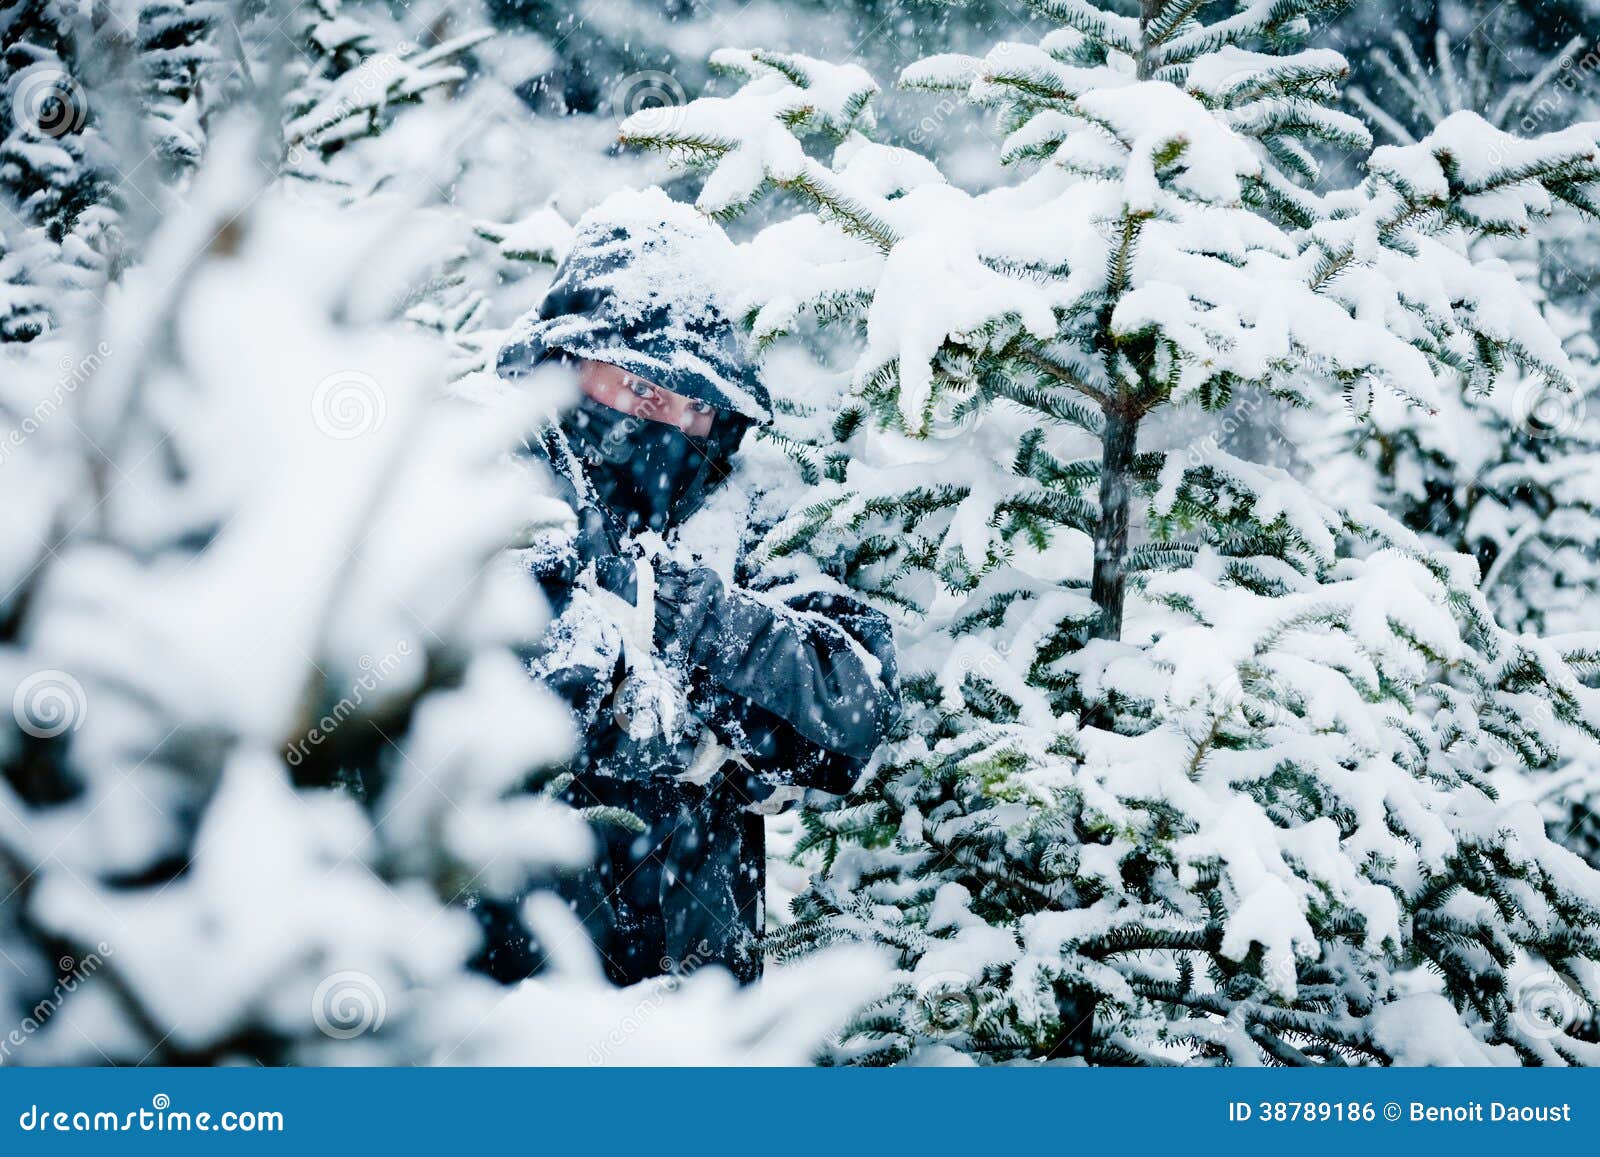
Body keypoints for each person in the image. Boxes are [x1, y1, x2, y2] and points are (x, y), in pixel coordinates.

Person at [484, 188, 897, 987]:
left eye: (686, 401)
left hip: (701, 1010)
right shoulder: (482, 464)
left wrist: (684, 612)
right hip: (497, 1000)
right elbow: (530, 695)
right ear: (568, 361)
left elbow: (854, 707)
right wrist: (701, 738)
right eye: (634, 386)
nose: (659, 418)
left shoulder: (745, 501)